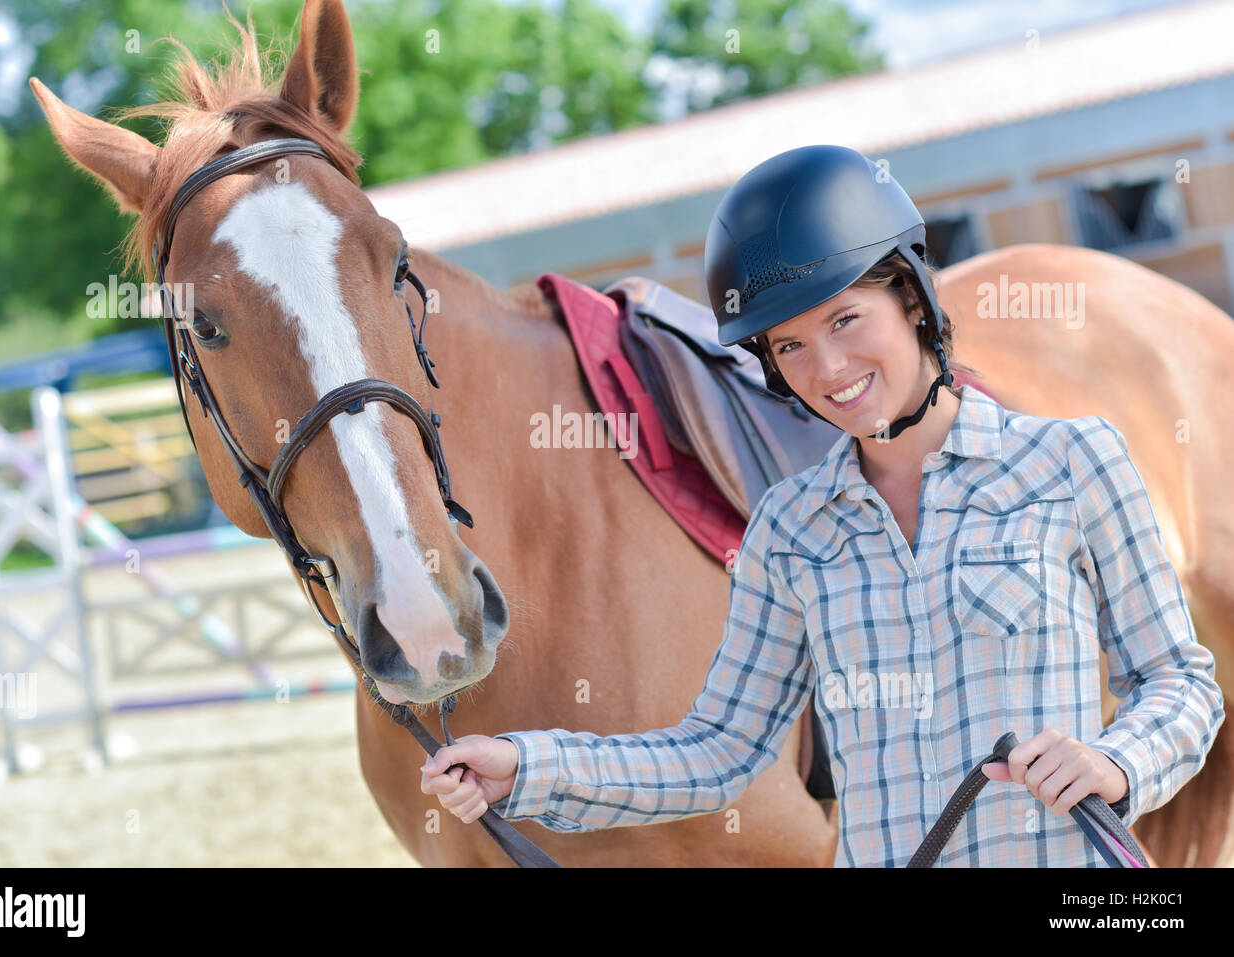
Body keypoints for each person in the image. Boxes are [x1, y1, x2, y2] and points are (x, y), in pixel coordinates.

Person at [419, 145, 1224, 866]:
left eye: (846, 319)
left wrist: (1120, 761)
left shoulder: (1072, 463)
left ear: (912, 298)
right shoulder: (791, 528)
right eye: (790, 346)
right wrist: (527, 767)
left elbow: (1180, 681)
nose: (828, 368)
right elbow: (718, 752)